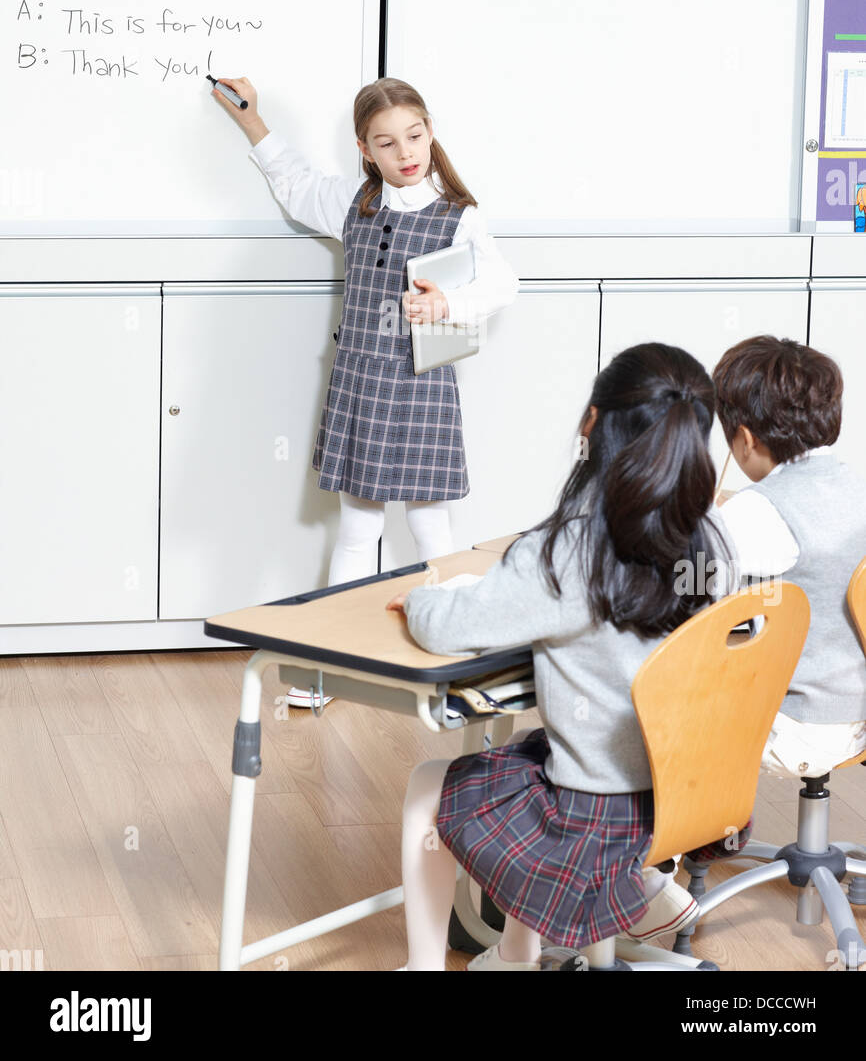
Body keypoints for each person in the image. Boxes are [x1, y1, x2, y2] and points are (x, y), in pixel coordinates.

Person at [390, 342, 742, 971]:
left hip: (588, 820)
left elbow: (450, 627)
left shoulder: (568, 554)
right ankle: (530, 945)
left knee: (429, 787)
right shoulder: (714, 546)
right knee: (530, 756)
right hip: (683, 803)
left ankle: (424, 970)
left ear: (592, 421)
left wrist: (420, 597)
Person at [212, 75, 517, 706]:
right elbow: (295, 184)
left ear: (431, 131)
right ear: (364, 149)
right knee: (357, 528)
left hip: (422, 386)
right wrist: (252, 122)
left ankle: (459, 662)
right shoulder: (356, 202)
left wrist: (451, 303)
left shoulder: (460, 218)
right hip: (360, 381)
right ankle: (326, 671)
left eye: (415, 135)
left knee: (432, 527)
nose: (406, 152)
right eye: (387, 143)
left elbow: (502, 282)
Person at [713, 335, 866, 779]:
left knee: (647, 703)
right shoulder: (856, 487)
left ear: (743, 438)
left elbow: (690, 600)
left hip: (803, 726)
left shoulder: (758, 509)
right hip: (858, 710)